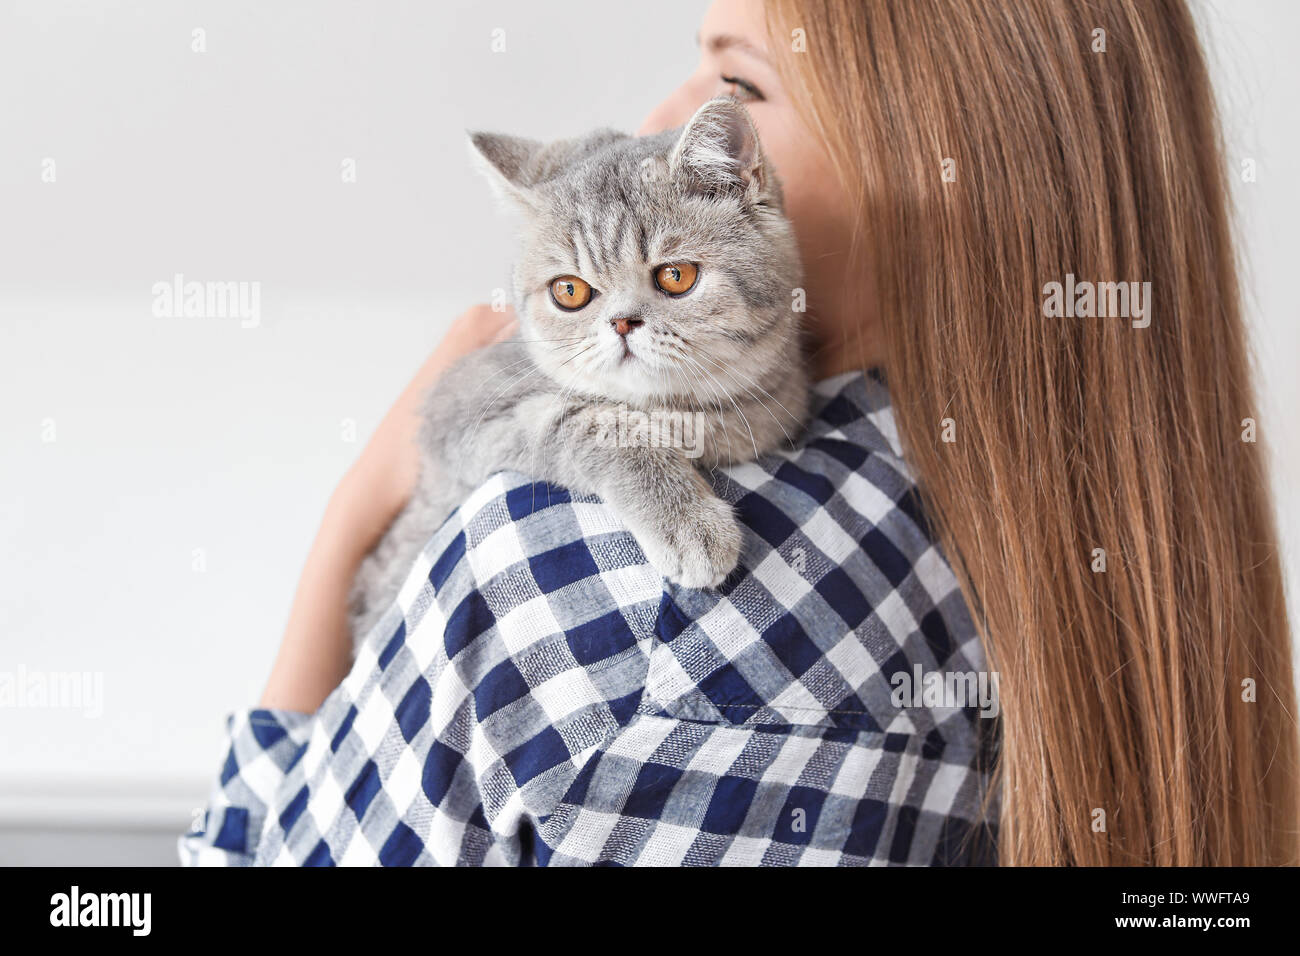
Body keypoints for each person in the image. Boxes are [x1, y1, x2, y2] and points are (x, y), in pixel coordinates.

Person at [182, 0, 1298, 866]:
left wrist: (352, 513)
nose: (666, 114)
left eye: (736, 81)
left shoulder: (576, 576)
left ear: (944, 155)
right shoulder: (1067, 545)